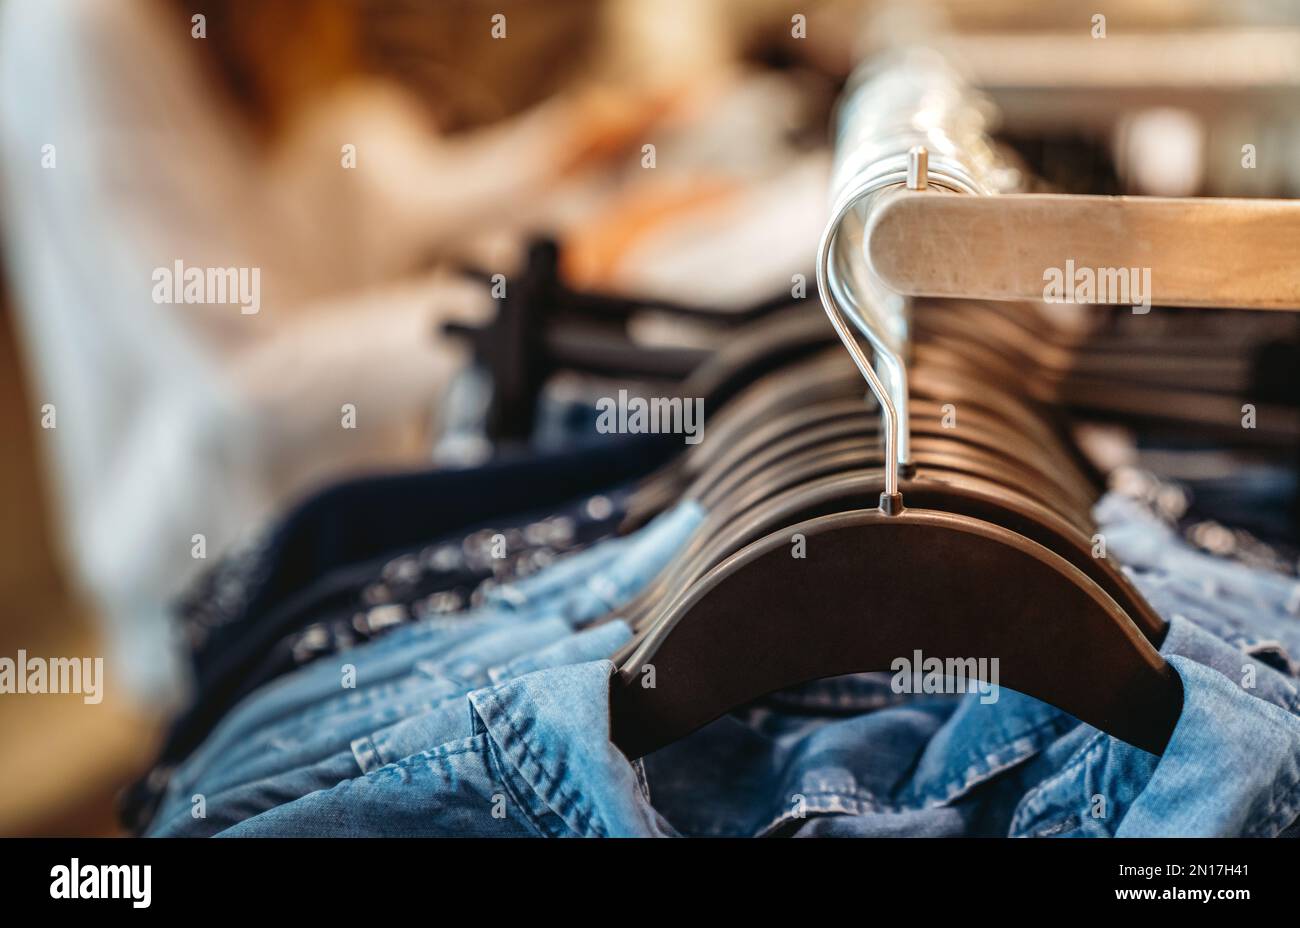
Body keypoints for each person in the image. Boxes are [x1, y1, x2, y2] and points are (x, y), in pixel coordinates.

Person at [0, 0, 636, 704]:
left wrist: (566, 151)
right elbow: (247, 375)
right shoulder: (83, 25)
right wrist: (535, 294)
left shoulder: (235, 25)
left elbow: (362, 207)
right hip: (233, 576)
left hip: (340, 524)